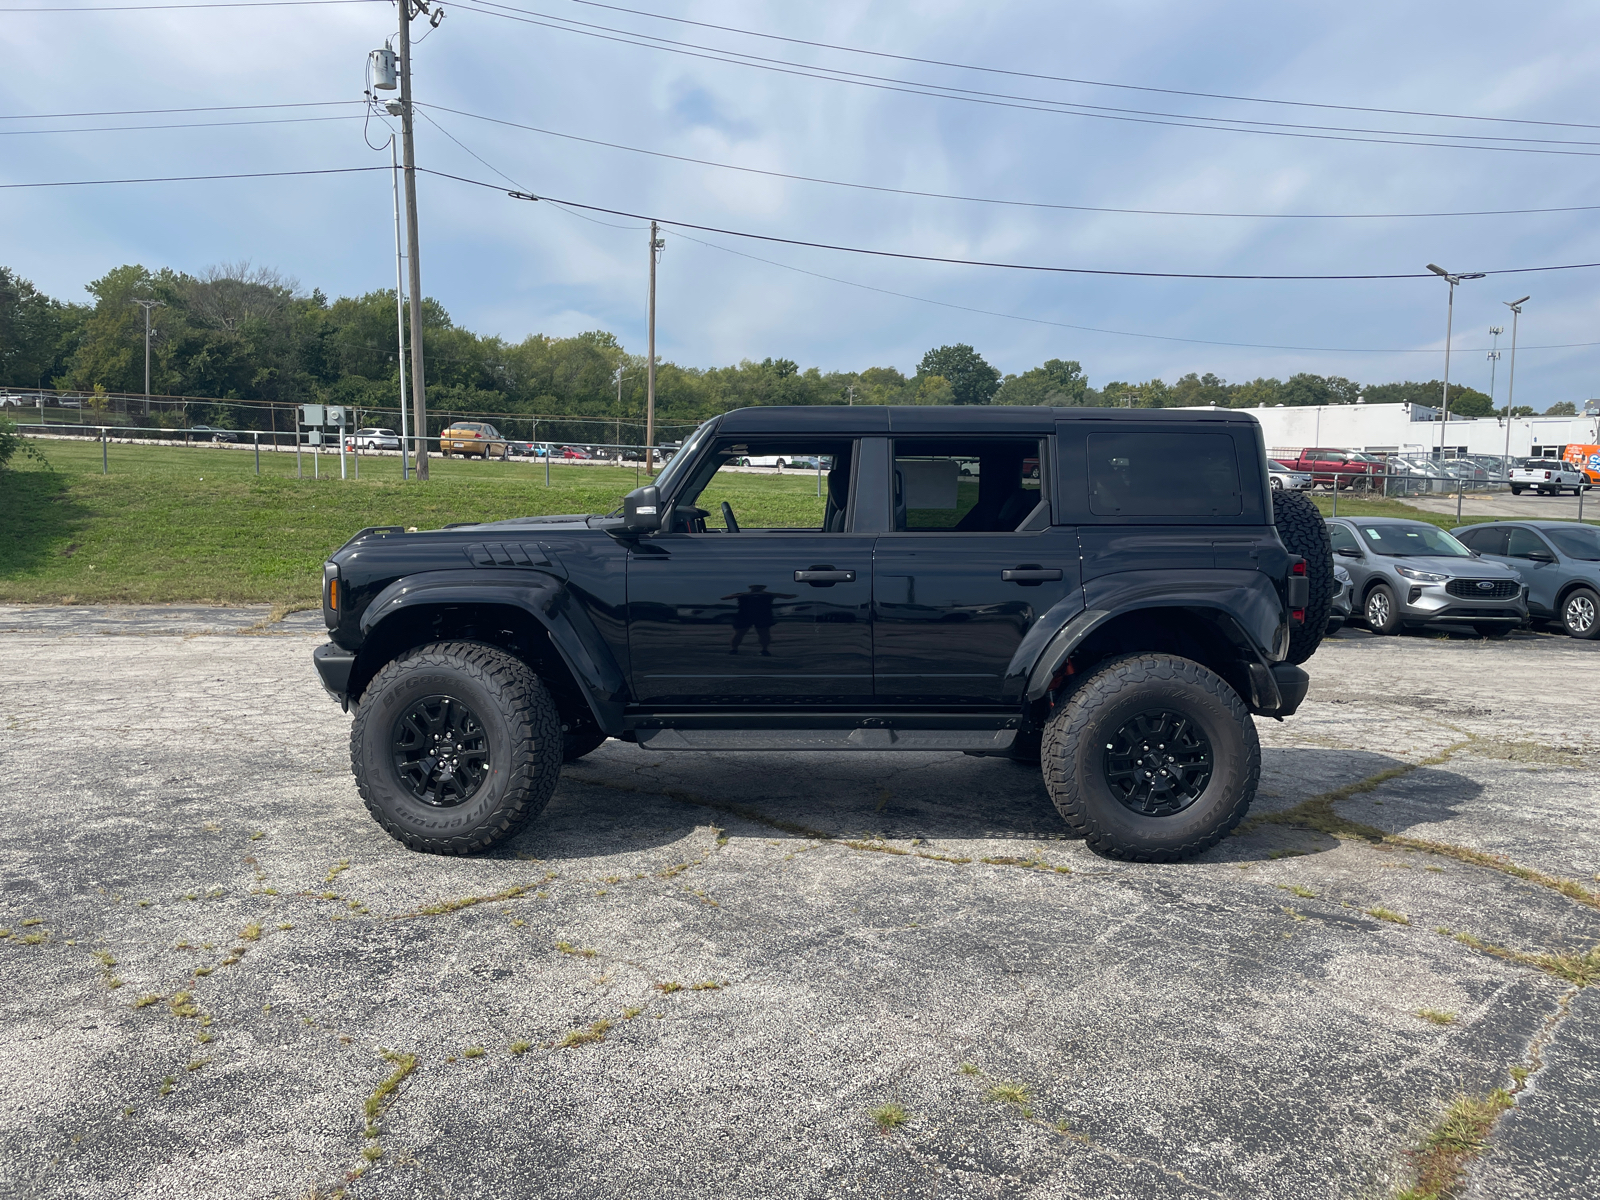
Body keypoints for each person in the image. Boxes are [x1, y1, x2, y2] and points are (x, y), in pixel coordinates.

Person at [721, 583, 794, 655]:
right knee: (740, 632)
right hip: (746, 615)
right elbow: (724, 598)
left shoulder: (768, 594)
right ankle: (734, 649)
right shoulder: (743, 594)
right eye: (755, 587)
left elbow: (787, 597)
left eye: (759, 587)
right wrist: (739, 595)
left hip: (762, 615)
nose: (757, 589)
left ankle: (764, 650)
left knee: (763, 633)